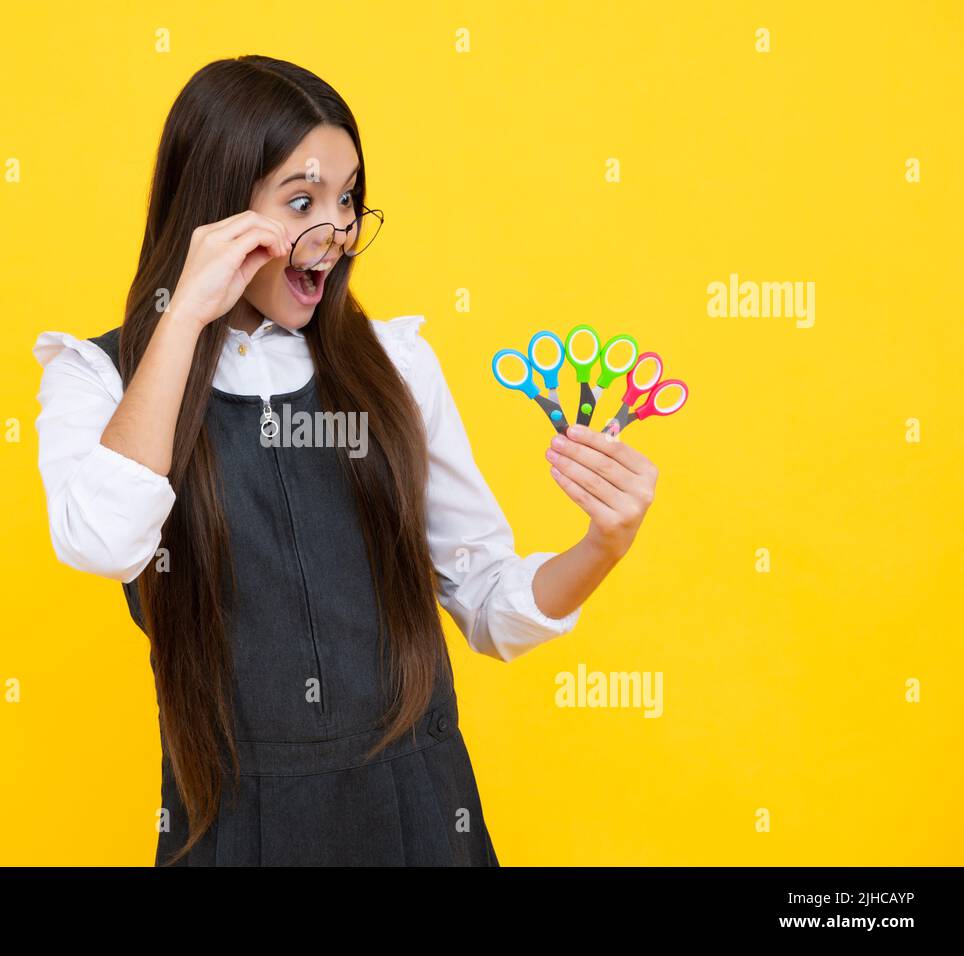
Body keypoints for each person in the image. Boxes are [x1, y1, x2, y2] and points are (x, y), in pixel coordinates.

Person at [32, 55, 659, 866]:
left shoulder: (393, 364)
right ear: (219, 213)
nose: (338, 233)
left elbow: (490, 604)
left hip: (419, 814)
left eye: (349, 198)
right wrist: (184, 311)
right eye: (302, 202)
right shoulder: (97, 377)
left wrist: (602, 546)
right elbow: (102, 541)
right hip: (231, 824)